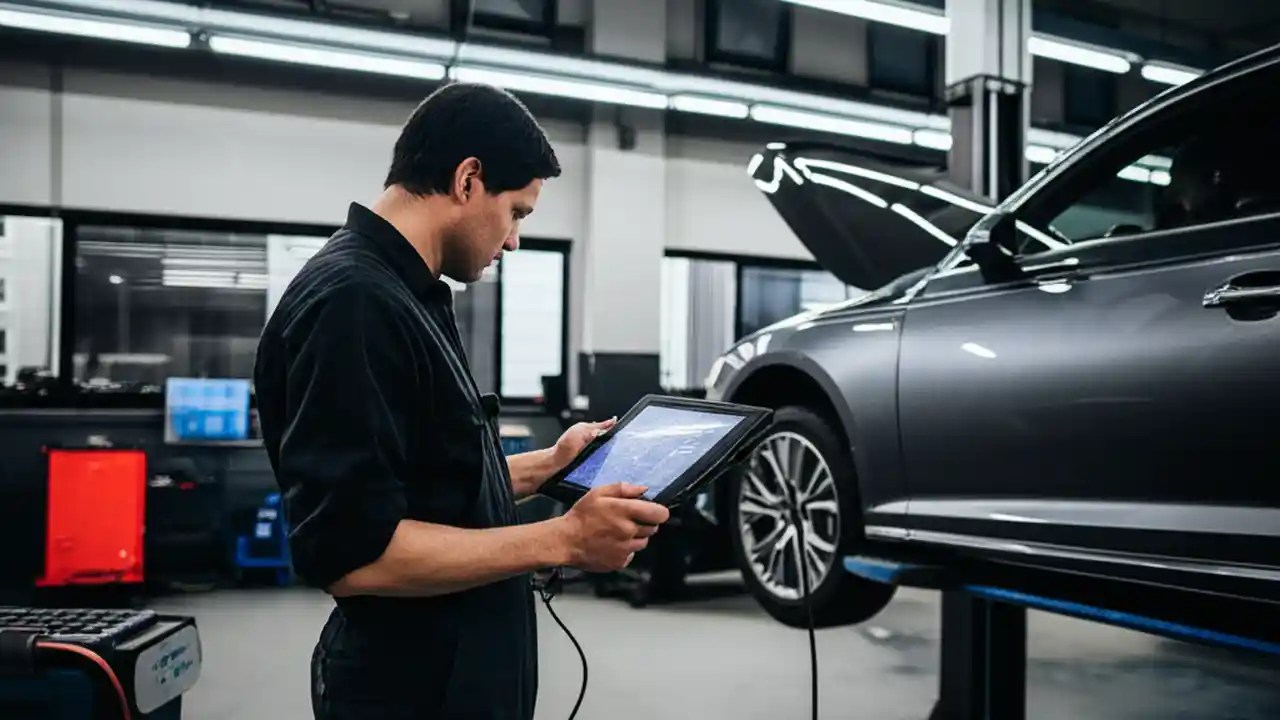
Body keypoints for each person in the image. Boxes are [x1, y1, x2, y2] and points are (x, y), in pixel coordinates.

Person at [253, 82, 671, 720]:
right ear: (468, 179)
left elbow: (423, 485)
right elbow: (357, 555)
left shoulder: (407, 292)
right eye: (518, 213)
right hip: (411, 693)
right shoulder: (354, 304)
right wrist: (563, 539)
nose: (513, 242)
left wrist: (550, 465)